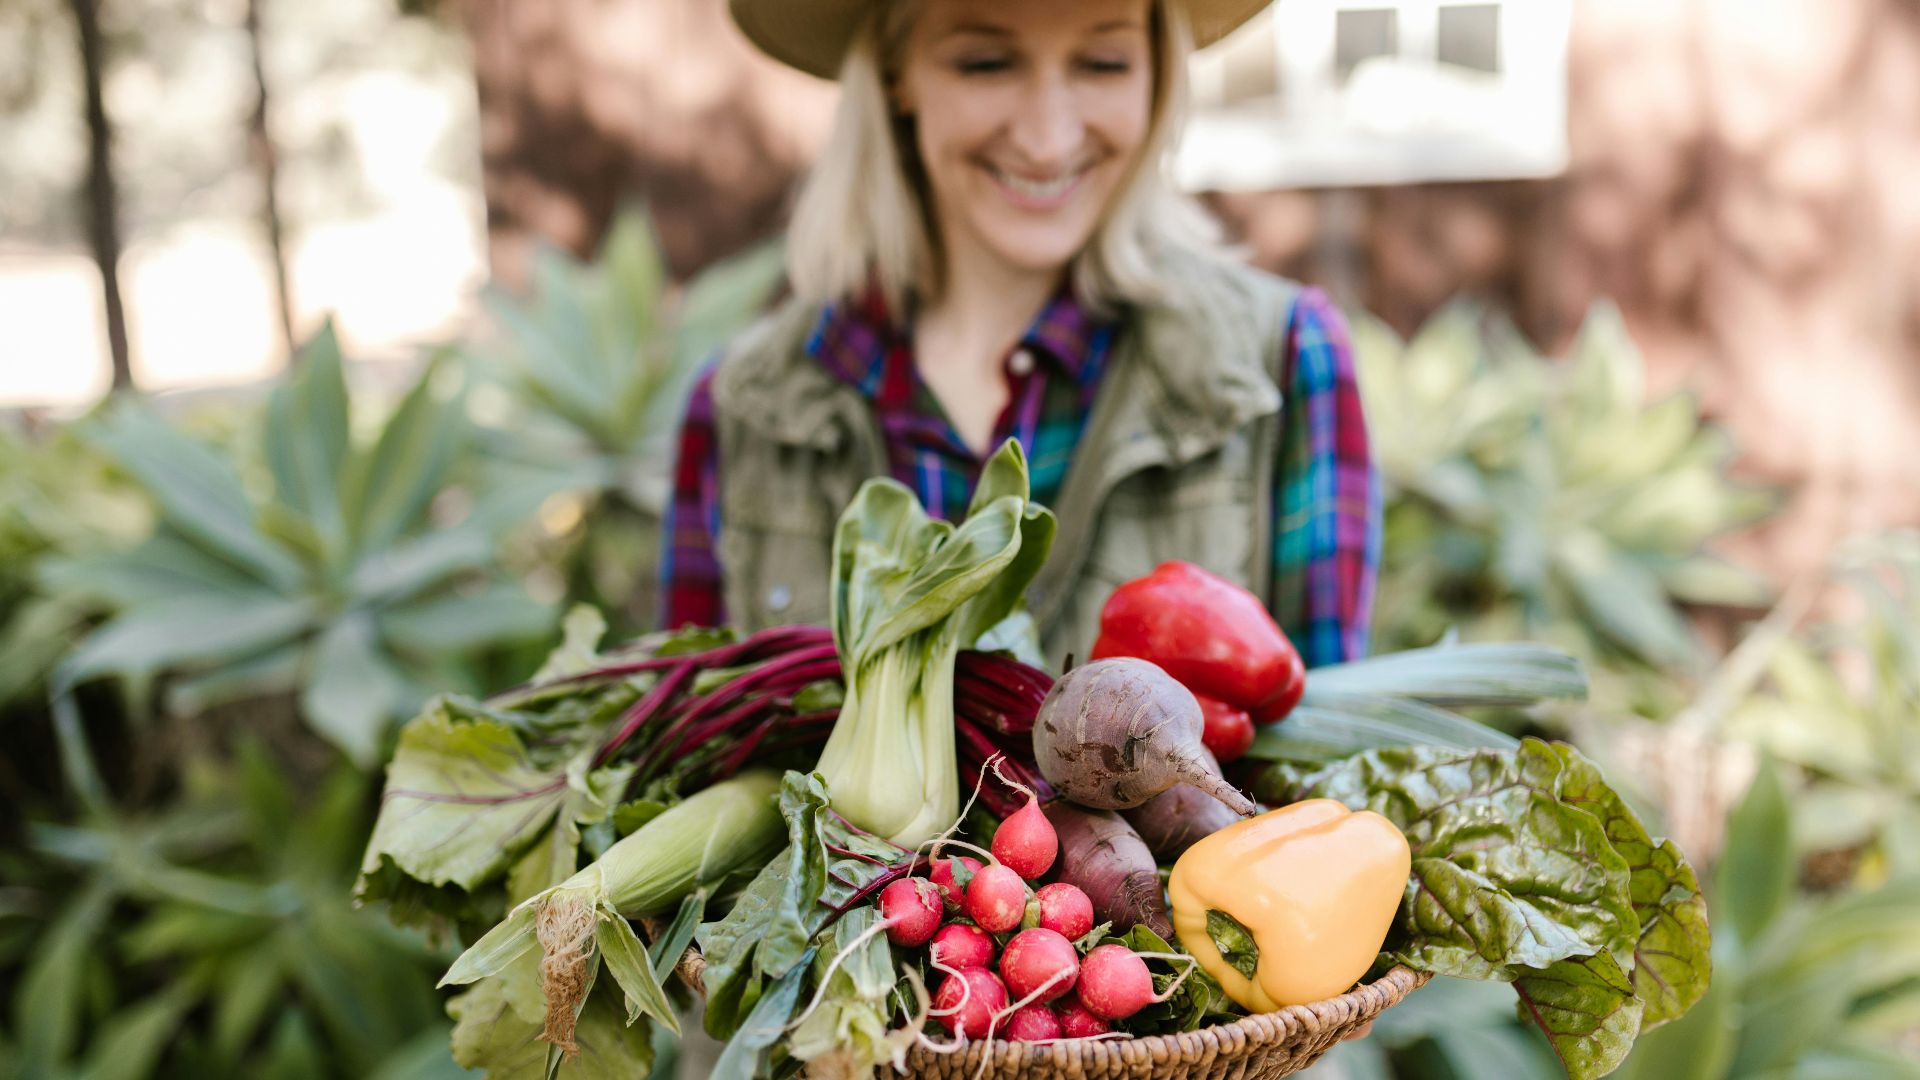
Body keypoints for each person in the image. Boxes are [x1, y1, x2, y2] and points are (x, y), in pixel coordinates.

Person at [662, 0, 1379, 670]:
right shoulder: (743, 410)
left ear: (1158, 74)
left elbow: (1328, 753)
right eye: (986, 64)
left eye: (1103, 64)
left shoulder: (1283, 365)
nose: (1047, 139)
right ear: (895, 73)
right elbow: (684, 744)